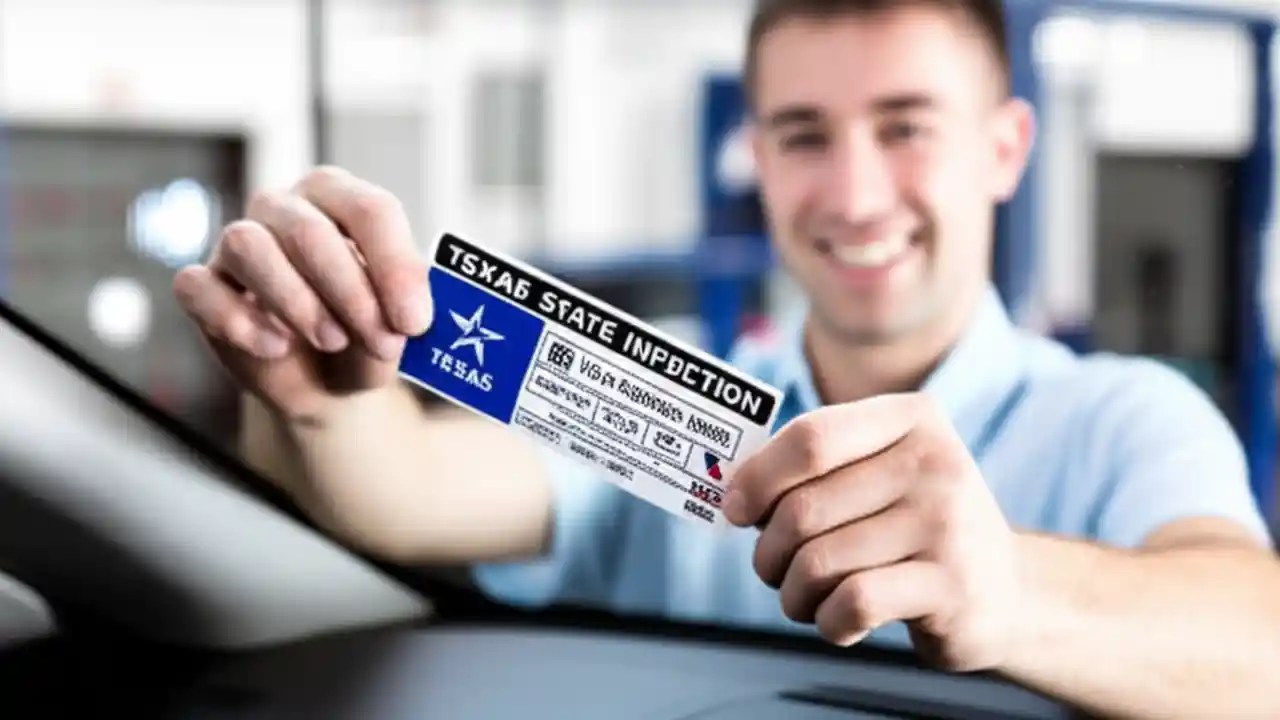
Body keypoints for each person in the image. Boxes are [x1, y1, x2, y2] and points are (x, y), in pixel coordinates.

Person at [173, 0, 1280, 716]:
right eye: (803, 135)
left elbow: (1258, 646)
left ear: (1004, 149)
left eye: (905, 127)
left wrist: (1006, 584)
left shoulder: (1124, 418)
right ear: (757, 157)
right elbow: (408, 493)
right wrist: (317, 391)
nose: (853, 195)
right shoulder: (662, 394)